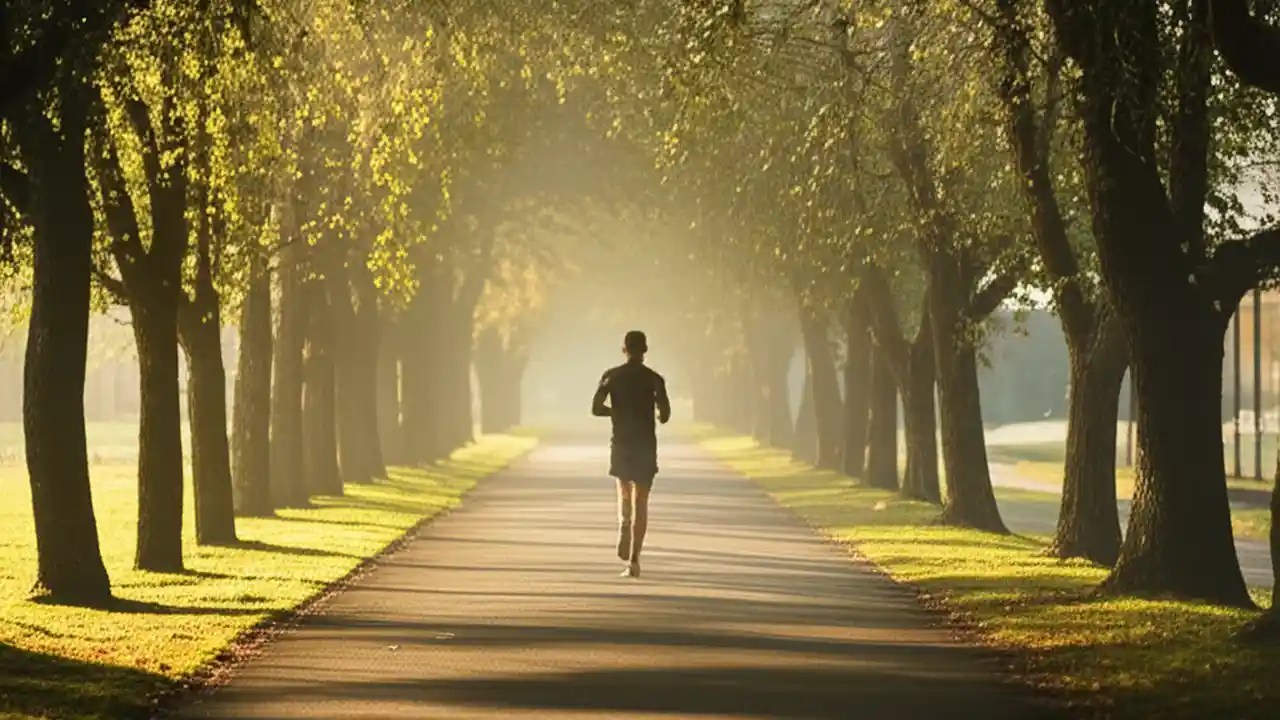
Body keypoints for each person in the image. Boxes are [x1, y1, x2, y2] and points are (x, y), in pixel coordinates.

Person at [592, 330, 671, 578]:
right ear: (645, 350)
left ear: (623, 349)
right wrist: (657, 413)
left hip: (622, 441)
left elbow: (595, 408)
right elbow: (666, 414)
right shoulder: (655, 379)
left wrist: (615, 413)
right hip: (645, 444)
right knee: (643, 500)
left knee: (623, 485)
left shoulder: (611, 376)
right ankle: (634, 561)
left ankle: (624, 520)